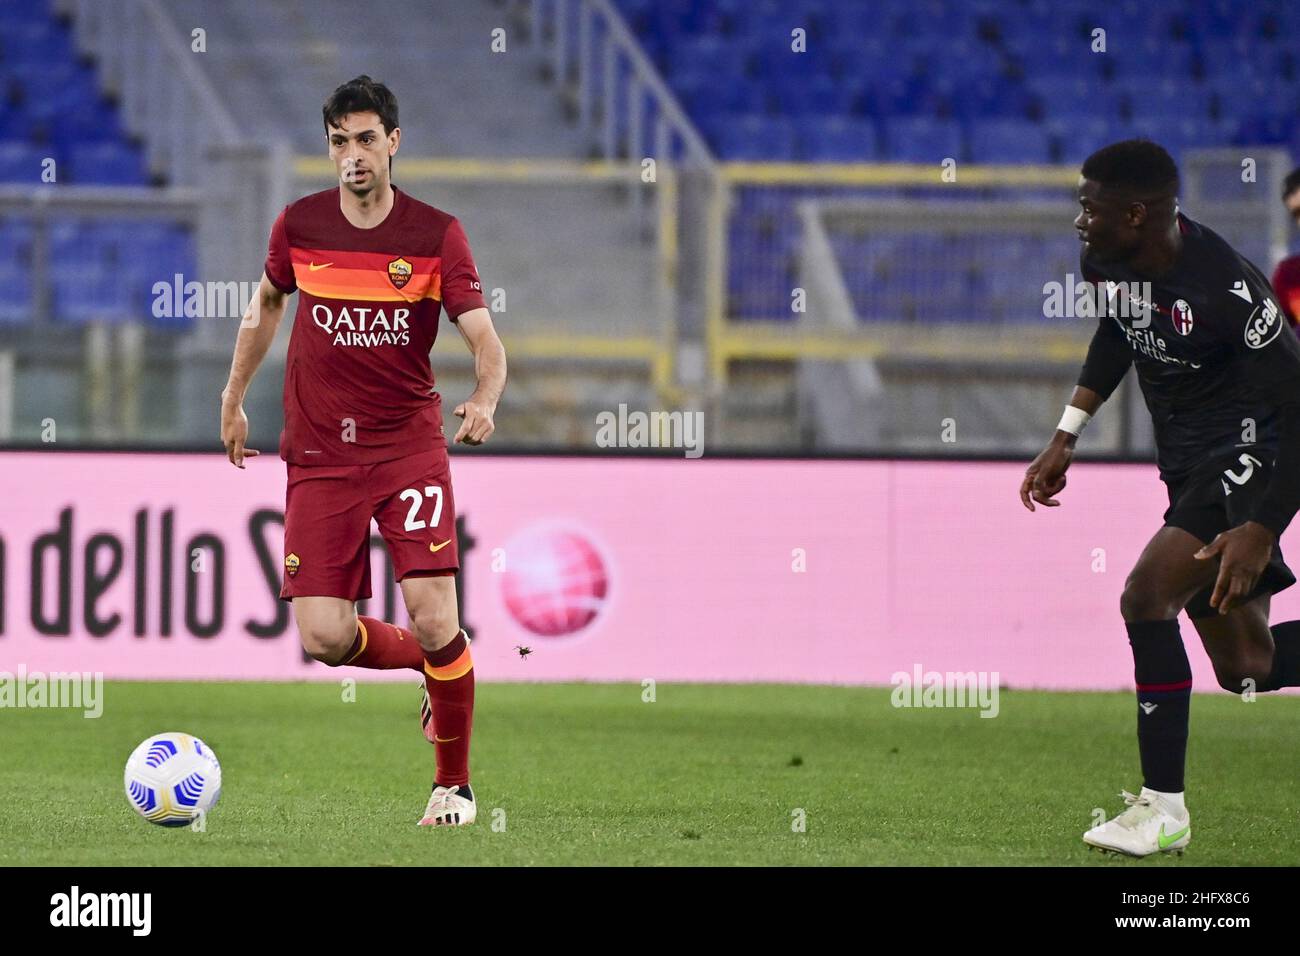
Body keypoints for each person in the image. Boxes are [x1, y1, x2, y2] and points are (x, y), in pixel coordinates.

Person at [220, 76, 507, 827]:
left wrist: (484, 397)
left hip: (408, 447)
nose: (353, 156)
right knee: (323, 636)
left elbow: (485, 339)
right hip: (319, 452)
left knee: (435, 613)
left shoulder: (436, 235)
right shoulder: (298, 225)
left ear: (393, 143)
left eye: (366, 139)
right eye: (339, 142)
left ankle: (455, 786)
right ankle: (426, 664)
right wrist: (233, 391)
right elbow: (268, 301)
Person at [1020, 139, 1300, 856]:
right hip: (1186, 464)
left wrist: (1264, 525)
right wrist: (1067, 432)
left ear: (1135, 215)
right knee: (1248, 666)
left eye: (1091, 207)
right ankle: (1162, 804)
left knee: (1147, 597)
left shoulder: (1229, 293)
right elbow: (1120, 329)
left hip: (1249, 456)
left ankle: (1163, 809)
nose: (1080, 220)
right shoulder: (1108, 259)